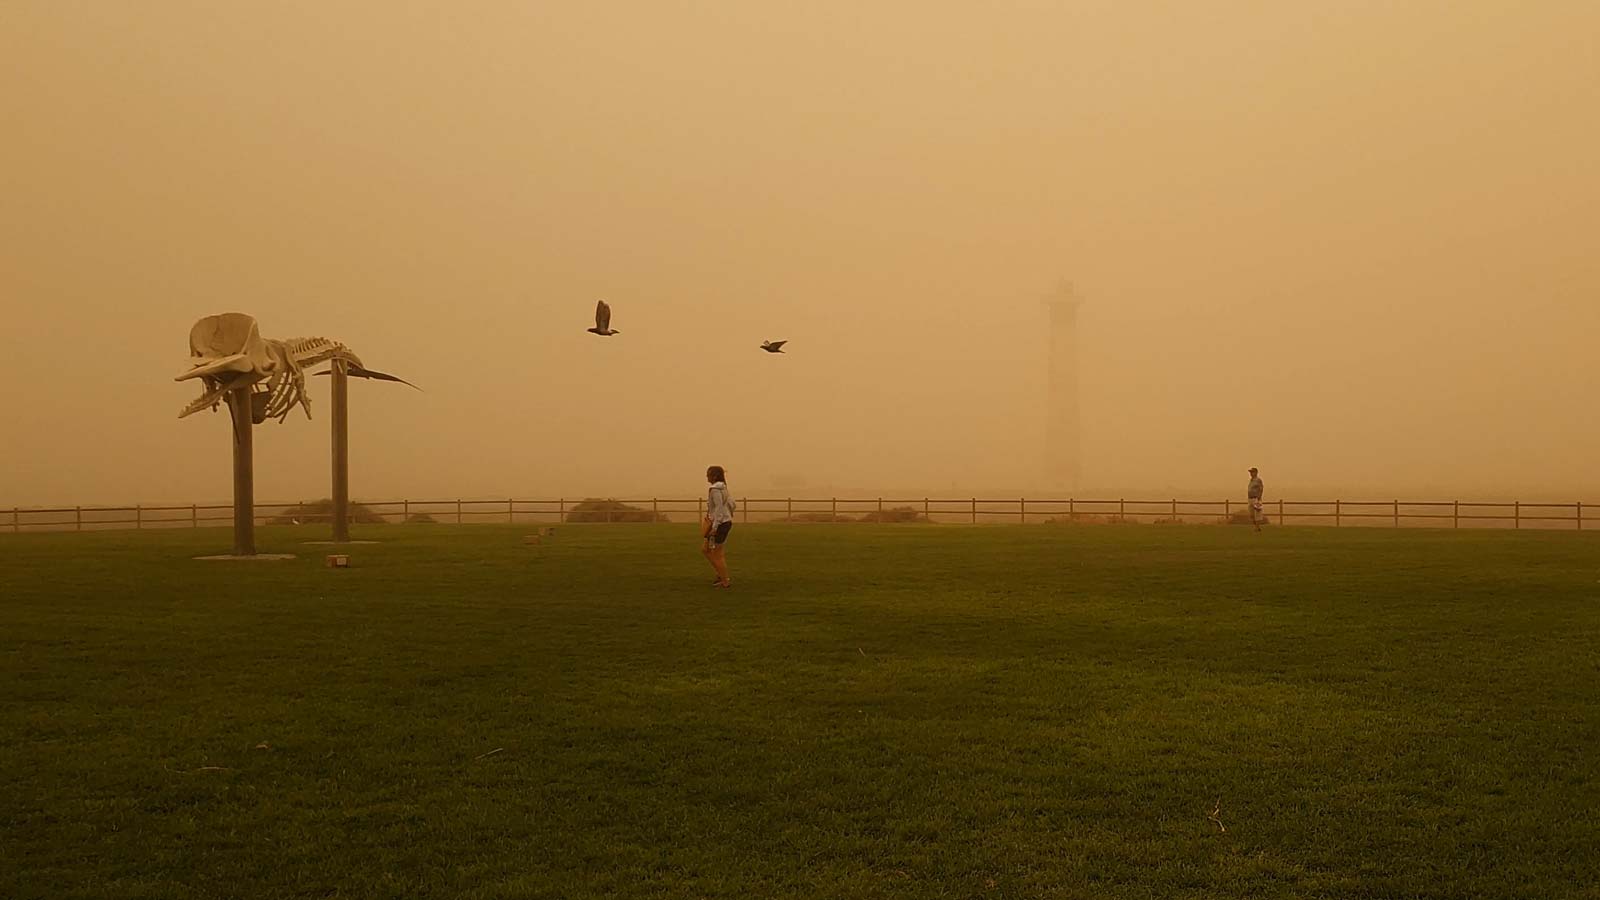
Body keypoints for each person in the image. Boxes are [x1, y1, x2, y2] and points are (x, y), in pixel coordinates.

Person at [701, 465, 736, 588]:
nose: (707, 477)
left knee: (717, 554)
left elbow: (719, 509)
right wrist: (729, 515)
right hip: (724, 522)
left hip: (719, 524)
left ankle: (725, 580)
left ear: (714, 476)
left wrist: (714, 527)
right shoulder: (724, 488)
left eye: (708, 474)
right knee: (706, 550)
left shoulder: (715, 490)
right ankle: (720, 575)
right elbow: (732, 504)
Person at [1247, 467, 1265, 532]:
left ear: (1256, 472)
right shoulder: (1251, 480)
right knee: (1251, 514)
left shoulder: (1258, 480)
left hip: (1256, 498)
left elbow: (1261, 488)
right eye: (1250, 472)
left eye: (1252, 472)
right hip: (1250, 498)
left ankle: (1257, 528)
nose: (1251, 473)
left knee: (1257, 514)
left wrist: (1259, 497)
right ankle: (1257, 527)